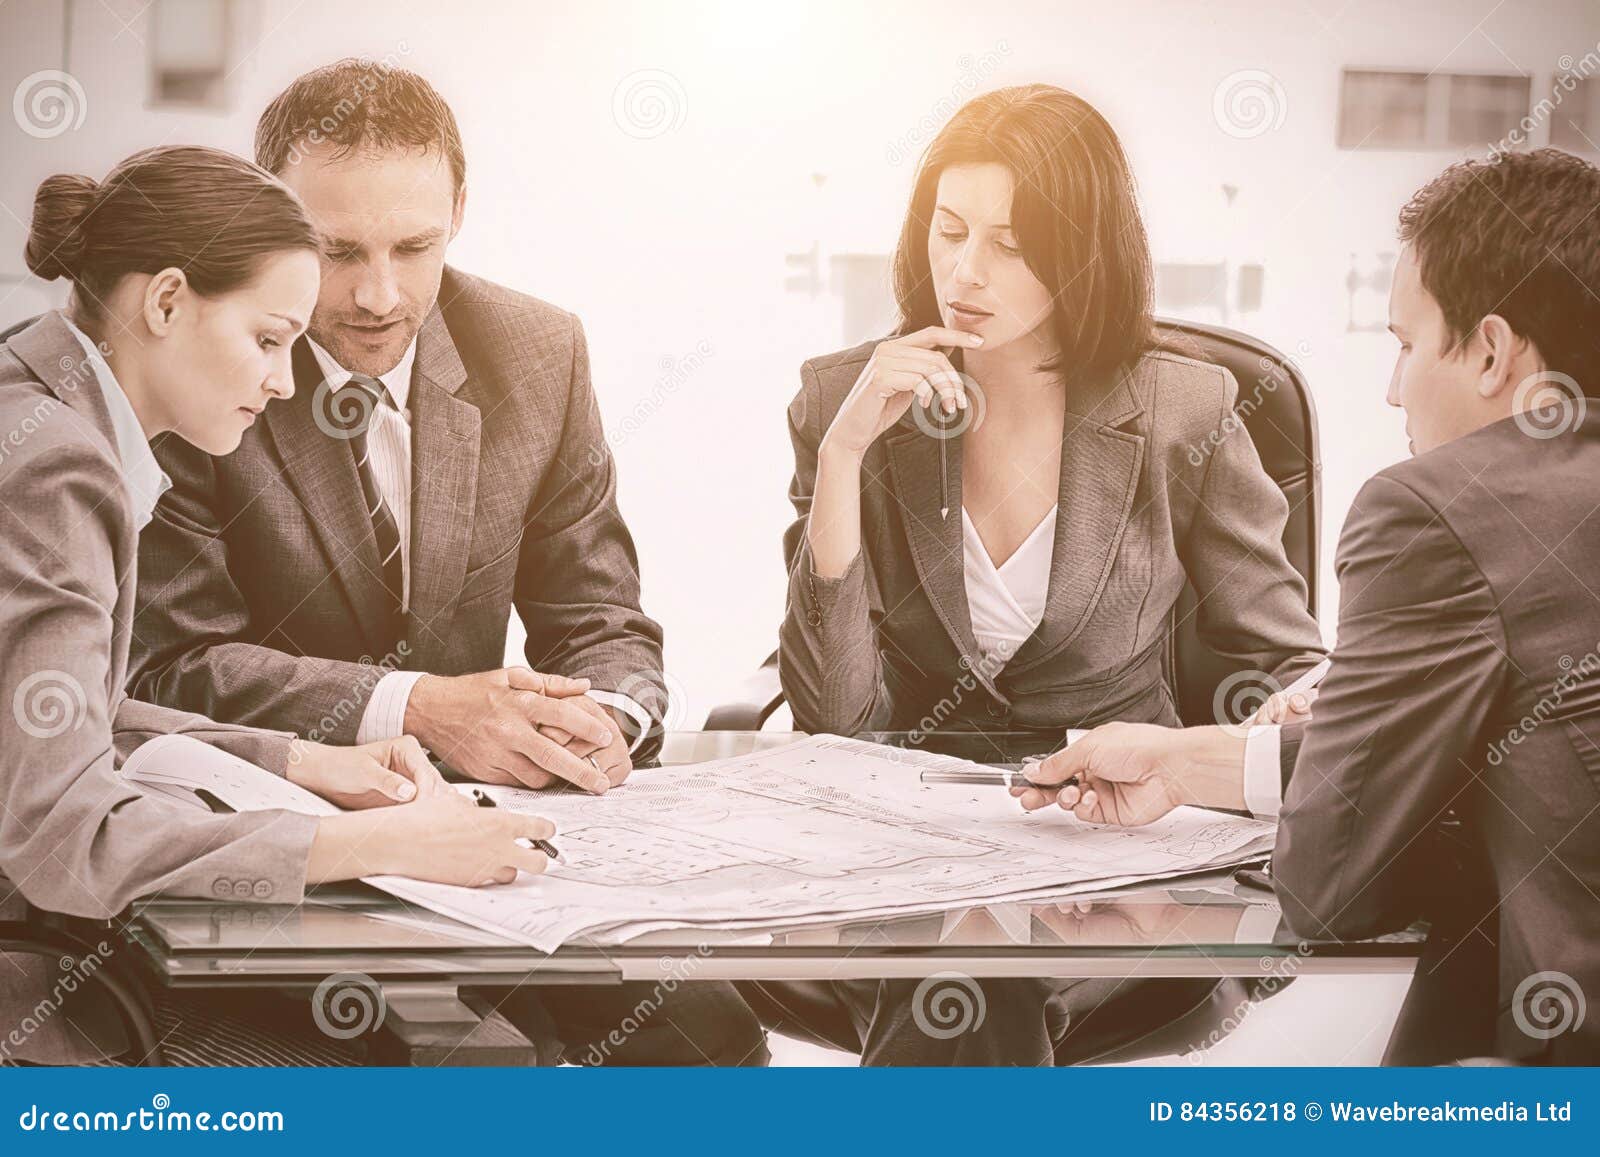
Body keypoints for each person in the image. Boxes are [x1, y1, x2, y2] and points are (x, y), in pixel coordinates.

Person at [124, 61, 765, 1067]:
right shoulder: (204, 360)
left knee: (711, 1038)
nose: (380, 295)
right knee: (457, 1061)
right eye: (337, 251)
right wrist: (418, 706)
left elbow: (601, 616)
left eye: (414, 247)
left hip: (498, 846)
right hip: (282, 852)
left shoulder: (537, 351)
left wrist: (601, 716)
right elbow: (165, 668)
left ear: (460, 212)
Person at [757, 84, 1326, 1064]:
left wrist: (1280, 716)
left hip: (1110, 842)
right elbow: (836, 710)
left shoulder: (1184, 411)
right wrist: (847, 451)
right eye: (948, 230)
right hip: (908, 842)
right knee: (960, 979)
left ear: (1085, 252)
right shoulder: (842, 399)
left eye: (1011, 244)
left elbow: (1282, 666)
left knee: (969, 993)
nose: (964, 270)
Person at [1019, 148, 1600, 1066]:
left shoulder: (1436, 512)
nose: (1391, 386)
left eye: (1406, 344)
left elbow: (1332, 888)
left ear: (1493, 350)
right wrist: (1186, 761)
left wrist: (1361, 742)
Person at [0, 147, 557, 1066]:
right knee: (472, 1062)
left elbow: (61, 715)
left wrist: (300, 758)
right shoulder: (56, 463)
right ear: (166, 302)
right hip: (34, 990)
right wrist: (377, 840)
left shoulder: (36, 396)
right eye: (268, 339)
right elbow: (71, 831)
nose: (286, 382)